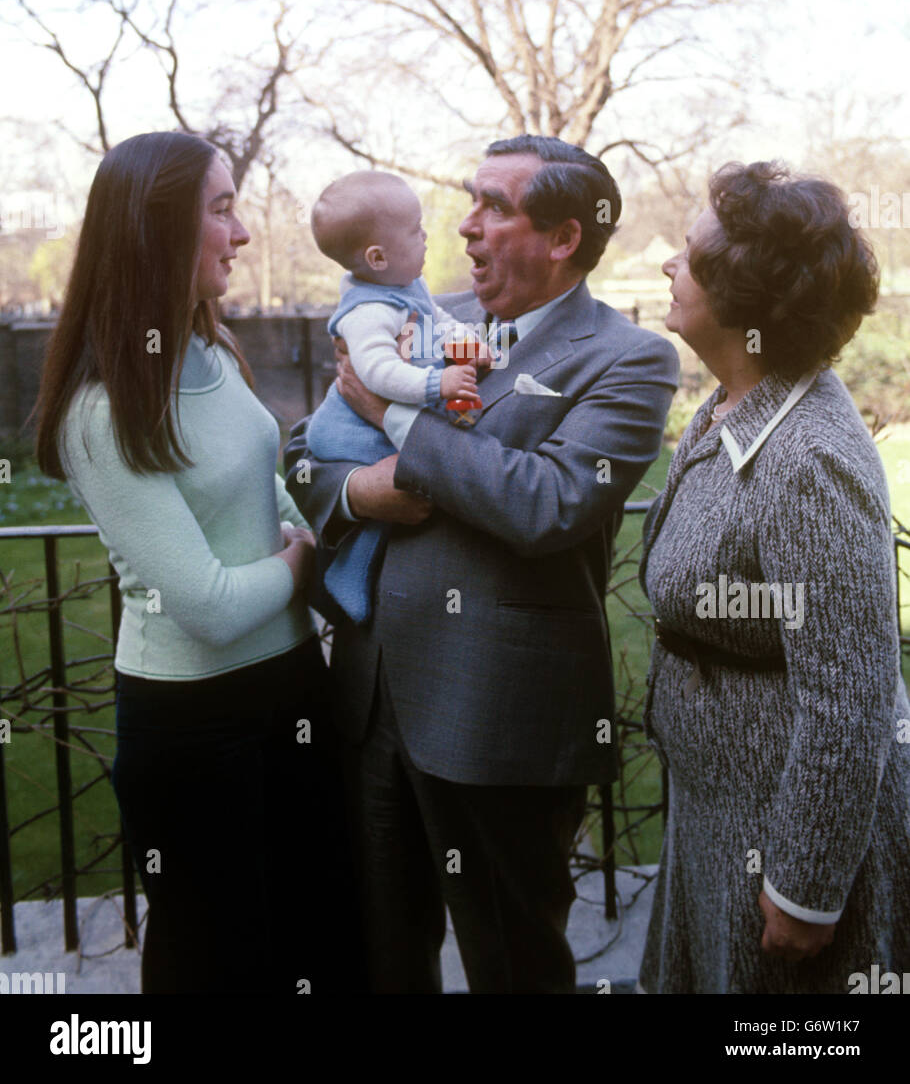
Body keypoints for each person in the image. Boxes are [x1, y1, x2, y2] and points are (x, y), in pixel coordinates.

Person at [285, 134, 680, 993]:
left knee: (514, 964)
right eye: (468, 202)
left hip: (499, 717)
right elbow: (304, 451)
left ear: (565, 236)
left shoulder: (629, 359)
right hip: (372, 698)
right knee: (383, 955)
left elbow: (549, 503)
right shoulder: (424, 321)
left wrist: (396, 426)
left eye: (493, 207)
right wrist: (363, 494)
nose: (465, 227)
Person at [35, 131, 361, 994]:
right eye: (222, 211)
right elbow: (207, 606)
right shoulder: (102, 412)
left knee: (320, 936)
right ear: (157, 230)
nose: (242, 233)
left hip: (295, 689)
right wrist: (298, 568)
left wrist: (313, 536)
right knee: (221, 961)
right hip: (195, 725)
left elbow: (273, 496)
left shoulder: (214, 355)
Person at [637, 159, 910, 994]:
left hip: (778, 829)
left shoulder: (808, 459)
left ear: (742, 295)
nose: (667, 266)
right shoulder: (735, 405)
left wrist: (806, 887)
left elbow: (851, 693)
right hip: (721, 808)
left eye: (686, 254)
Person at [306, 170, 485, 623]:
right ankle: (346, 578)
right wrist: (436, 385)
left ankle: (349, 576)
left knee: (400, 486)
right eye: (415, 230)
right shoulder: (367, 312)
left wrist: (468, 344)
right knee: (388, 500)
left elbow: (438, 321)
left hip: (376, 425)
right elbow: (376, 372)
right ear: (378, 257)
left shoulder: (406, 289)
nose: (427, 236)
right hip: (349, 434)